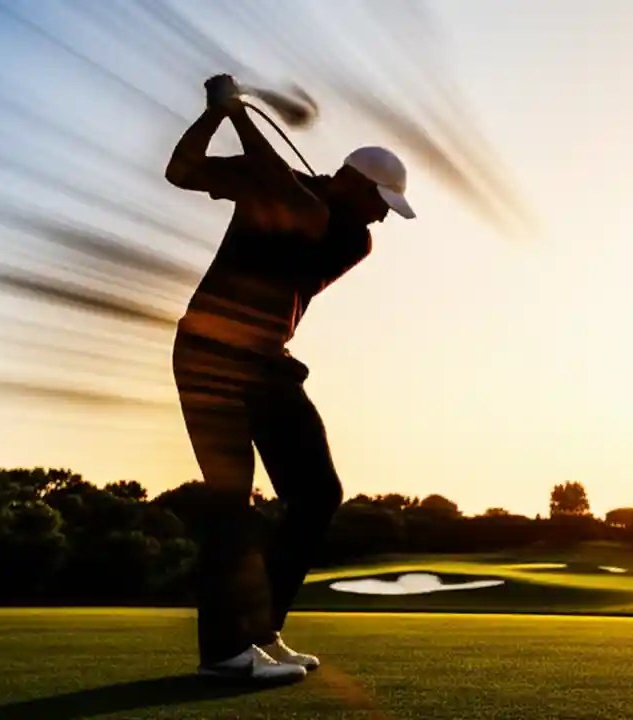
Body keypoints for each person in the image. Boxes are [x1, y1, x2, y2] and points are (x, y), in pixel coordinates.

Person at [164, 74, 415, 683]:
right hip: (209, 353)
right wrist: (215, 115)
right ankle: (226, 653)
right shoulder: (278, 184)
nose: (382, 218)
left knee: (317, 493)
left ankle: (259, 630)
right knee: (233, 500)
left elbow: (295, 203)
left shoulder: (348, 235)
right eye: (380, 200)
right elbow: (182, 169)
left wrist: (239, 114)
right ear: (354, 184)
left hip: (265, 361)